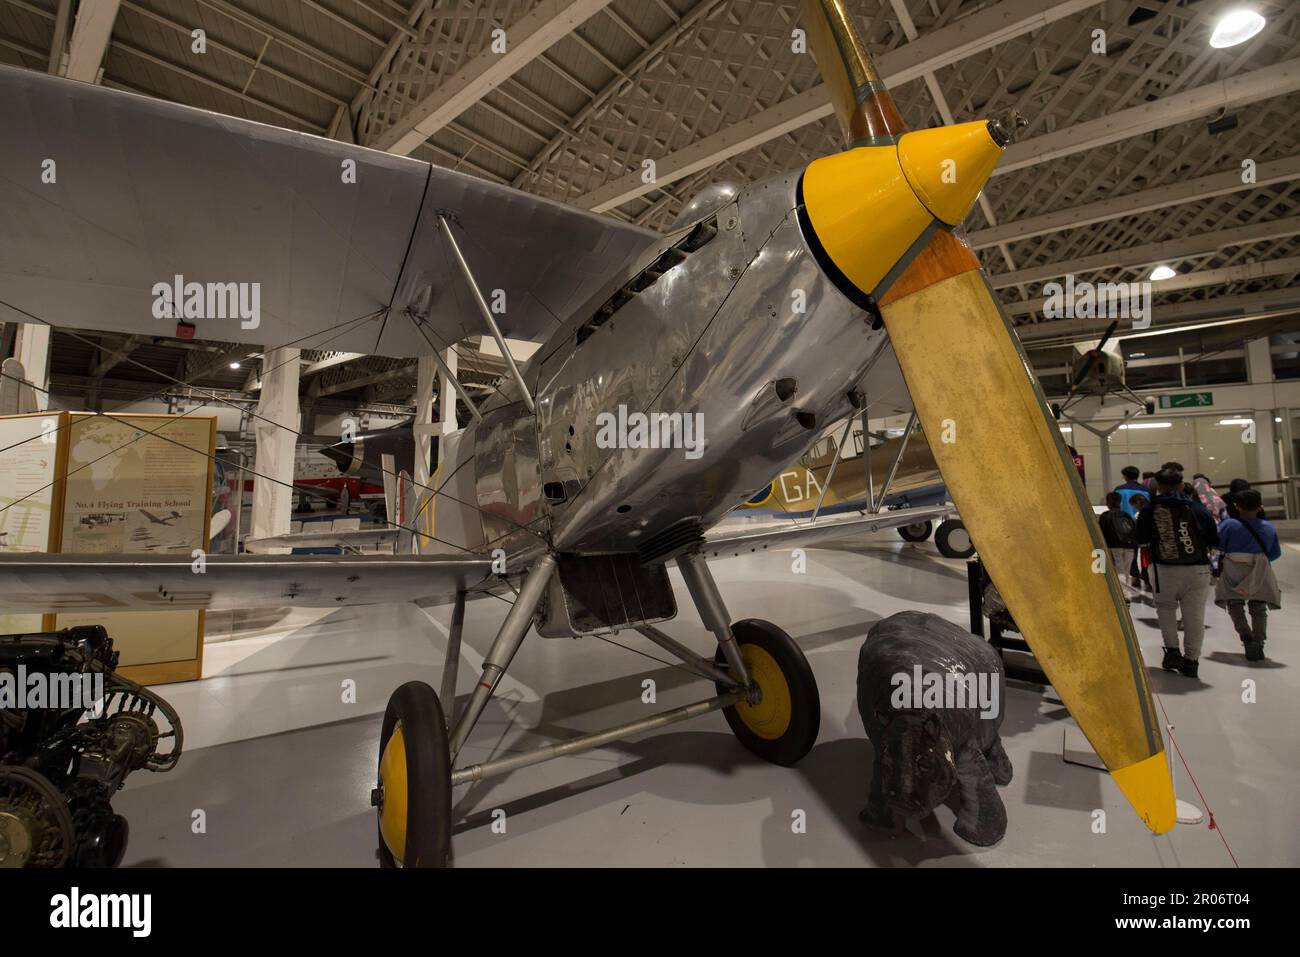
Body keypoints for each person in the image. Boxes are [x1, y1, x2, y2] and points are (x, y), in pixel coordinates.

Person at [1135, 467, 1219, 678]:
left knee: (1165, 610)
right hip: (1197, 569)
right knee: (1195, 616)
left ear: (1158, 487)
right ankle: (1192, 661)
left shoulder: (1149, 510)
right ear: (1182, 485)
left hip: (1164, 569)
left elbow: (1139, 538)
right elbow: (1213, 540)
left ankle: (1172, 652)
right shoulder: (1198, 509)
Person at [1214, 489, 1281, 662]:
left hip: (1233, 568)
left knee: (1234, 603)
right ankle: (1259, 641)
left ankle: (1246, 635)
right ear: (1260, 507)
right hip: (1259, 569)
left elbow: (1220, 546)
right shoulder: (1268, 527)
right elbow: (1274, 553)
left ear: (1236, 506)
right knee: (1258, 606)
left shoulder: (1229, 525)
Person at [1098, 492, 1137, 597]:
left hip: (1114, 546)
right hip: (1129, 546)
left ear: (1108, 502)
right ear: (1120, 502)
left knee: (1119, 571)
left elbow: (1101, 533)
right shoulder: (1126, 515)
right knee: (1126, 571)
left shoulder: (1105, 516)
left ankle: (1124, 595)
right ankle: (1126, 593)